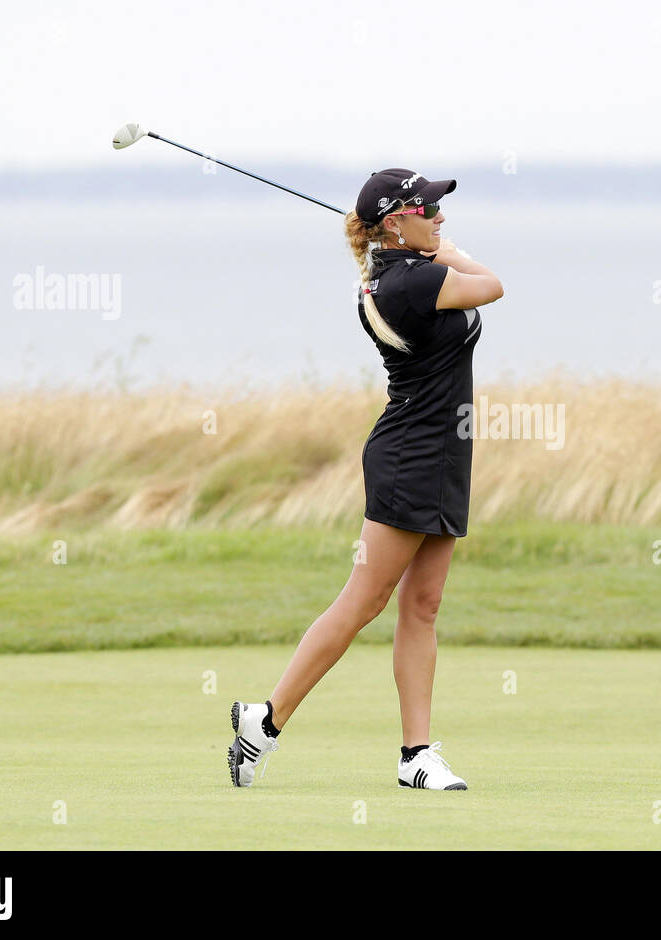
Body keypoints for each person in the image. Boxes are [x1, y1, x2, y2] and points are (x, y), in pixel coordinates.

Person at [228, 168, 504, 790]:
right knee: (366, 600)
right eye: (427, 208)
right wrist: (451, 253)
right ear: (394, 222)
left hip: (443, 454)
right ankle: (263, 722)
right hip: (410, 455)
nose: (439, 217)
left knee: (423, 605)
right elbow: (493, 286)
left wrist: (439, 249)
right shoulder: (412, 282)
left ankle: (416, 757)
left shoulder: (407, 272)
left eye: (438, 208)